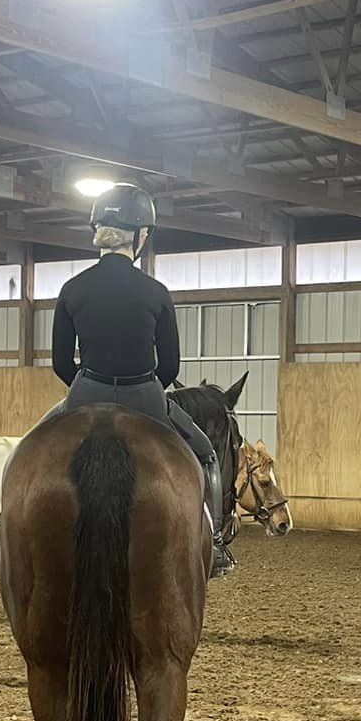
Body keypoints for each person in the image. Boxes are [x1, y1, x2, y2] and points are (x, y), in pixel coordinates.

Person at [48, 185, 231, 578]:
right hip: (145, 397)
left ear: (98, 230)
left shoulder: (72, 289)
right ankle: (214, 549)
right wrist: (143, 390)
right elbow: (170, 365)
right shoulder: (157, 292)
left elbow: (60, 362)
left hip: (86, 393)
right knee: (207, 457)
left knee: (25, 453)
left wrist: (86, 388)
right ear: (141, 236)